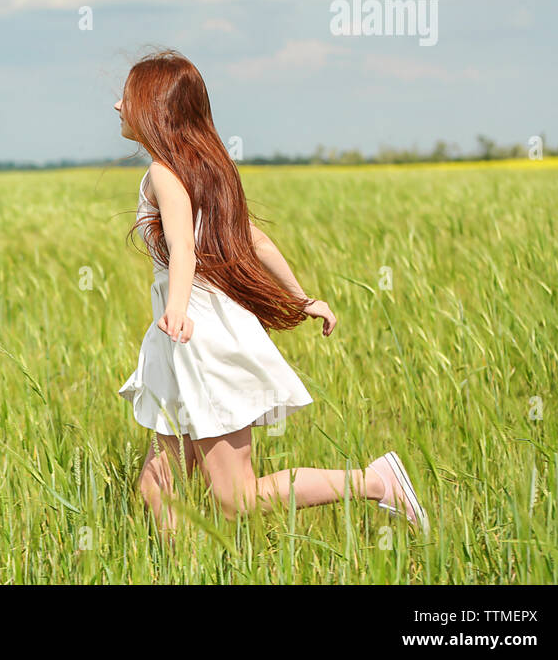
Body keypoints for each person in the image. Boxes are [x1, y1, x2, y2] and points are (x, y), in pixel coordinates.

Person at [114, 49, 429, 540]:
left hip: (195, 339)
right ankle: (179, 572)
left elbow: (181, 247)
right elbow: (252, 240)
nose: (117, 106)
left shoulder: (162, 172)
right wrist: (302, 299)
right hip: (190, 336)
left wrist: (176, 309)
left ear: (153, 108)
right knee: (160, 484)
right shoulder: (204, 168)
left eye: (127, 96)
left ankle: (376, 481)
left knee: (235, 497)